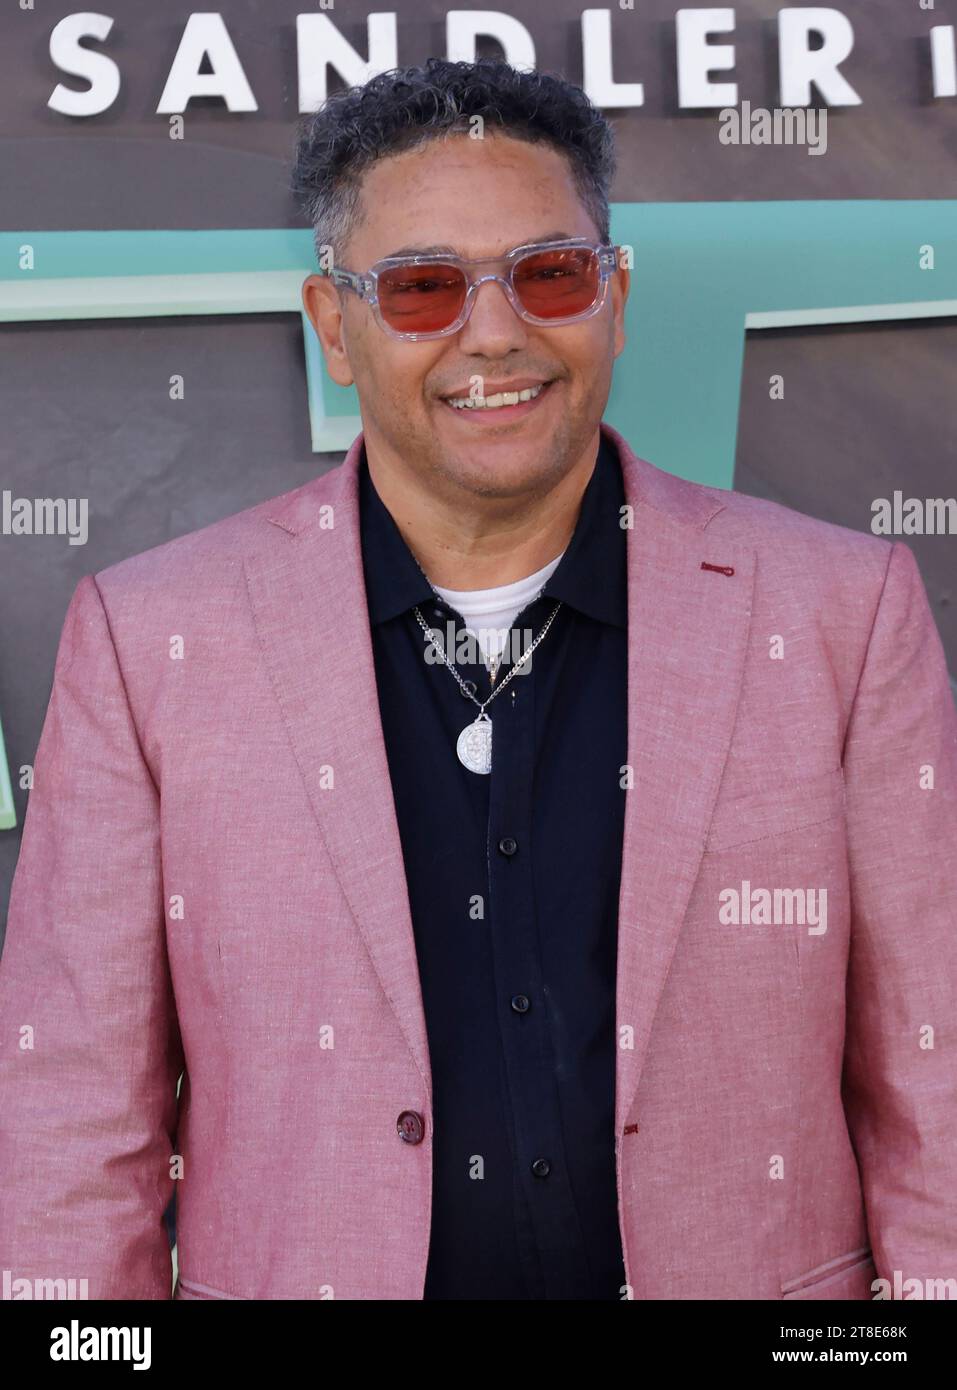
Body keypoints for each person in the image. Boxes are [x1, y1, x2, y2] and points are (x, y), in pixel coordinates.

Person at [1, 57, 955, 1302]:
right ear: (333, 325)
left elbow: (934, 1088)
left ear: (613, 297)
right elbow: (74, 1130)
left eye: (548, 273)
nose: (493, 331)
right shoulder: (147, 641)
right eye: (423, 288)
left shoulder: (843, 612)